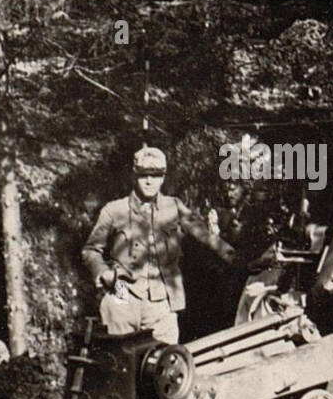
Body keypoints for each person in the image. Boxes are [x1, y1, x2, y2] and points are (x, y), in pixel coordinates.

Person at [82, 146, 236, 344]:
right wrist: (103, 272)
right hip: (122, 295)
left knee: (163, 363)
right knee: (122, 363)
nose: (148, 181)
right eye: (143, 175)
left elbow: (205, 237)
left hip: (161, 301)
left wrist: (236, 258)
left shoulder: (174, 207)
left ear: (163, 178)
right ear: (134, 175)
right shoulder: (114, 210)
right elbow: (90, 250)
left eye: (155, 175)